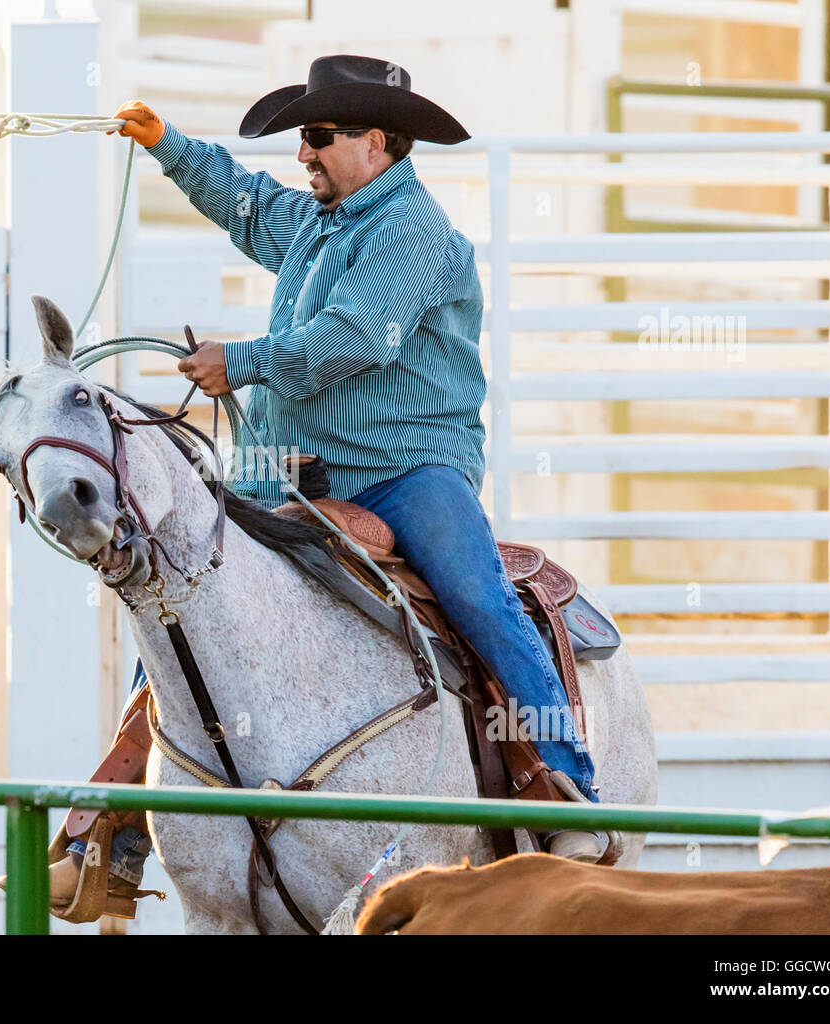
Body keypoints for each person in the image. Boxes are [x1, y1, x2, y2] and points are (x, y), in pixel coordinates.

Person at [49, 54, 608, 913]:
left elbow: (354, 338)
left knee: (477, 593)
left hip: (408, 468)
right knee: (186, 595)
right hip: (299, 472)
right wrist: (168, 145)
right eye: (303, 138)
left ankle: (561, 781)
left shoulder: (416, 235)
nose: (303, 154)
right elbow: (246, 206)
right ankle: (122, 812)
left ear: (376, 143)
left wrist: (241, 362)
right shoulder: (323, 218)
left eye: (317, 137)